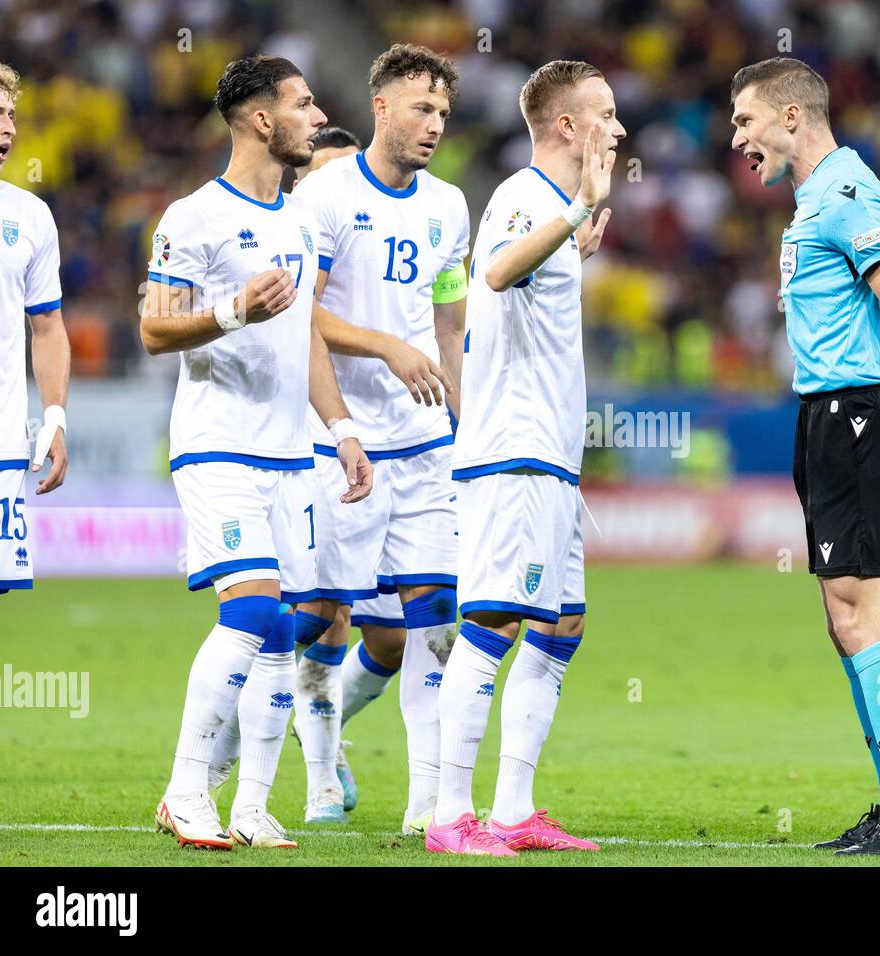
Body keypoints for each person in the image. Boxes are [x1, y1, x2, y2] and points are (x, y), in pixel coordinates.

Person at [729, 57, 880, 855]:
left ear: (792, 117)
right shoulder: (821, 201)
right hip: (836, 418)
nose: (739, 139)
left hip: (862, 415)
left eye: (746, 121)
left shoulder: (846, 193)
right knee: (844, 619)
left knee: (863, 615)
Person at [141, 54, 372, 851]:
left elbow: (305, 334)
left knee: (282, 631)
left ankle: (252, 806)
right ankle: (185, 792)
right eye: (305, 105)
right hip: (217, 446)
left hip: (287, 454)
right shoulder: (192, 217)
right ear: (263, 120)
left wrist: (340, 430)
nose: (318, 117)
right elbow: (153, 327)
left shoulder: (300, 222)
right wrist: (232, 309)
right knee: (249, 611)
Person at [428, 59, 622, 856]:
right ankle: (448, 816)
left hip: (551, 456)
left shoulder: (552, 212)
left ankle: (513, 811)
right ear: (567, 127)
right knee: (495, 621)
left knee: (562, 623)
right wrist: (576, 208)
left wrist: (575, 229)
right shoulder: (521, 195)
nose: (618, 128)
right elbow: (498, 272)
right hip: (514, 452)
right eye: (605, 114)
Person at [284, 43, 465, 833]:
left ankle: (429, 802)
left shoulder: (450, 206)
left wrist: (459, 404)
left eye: (446, 114)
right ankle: (297, 759)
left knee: (429, 615)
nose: (435, 126)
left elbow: (449, 310)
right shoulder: (322, 198)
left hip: (425, 443)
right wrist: (389, 347)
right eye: (422, 109)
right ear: (381, 107)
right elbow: (301, 315)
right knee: (321, 612)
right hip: (340, 440)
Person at [0, 60, 70, 630]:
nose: (9, 129)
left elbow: (48, 327)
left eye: (11, 116)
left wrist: (55, 417)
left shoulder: (29, 215)